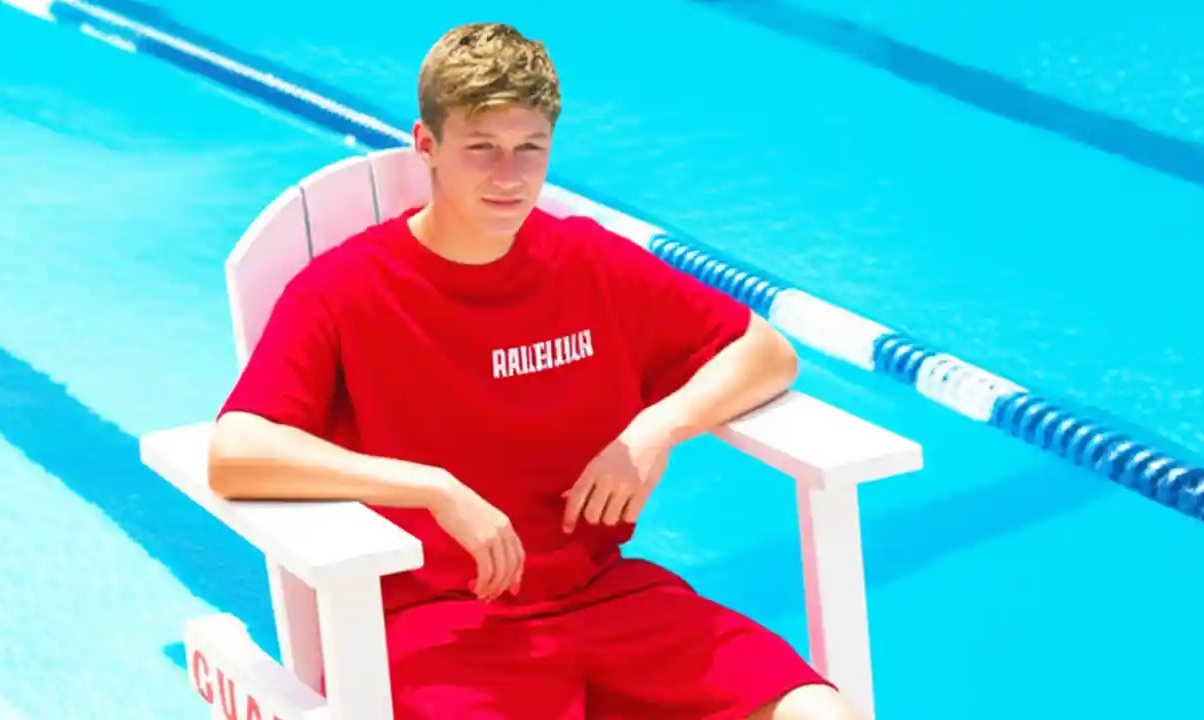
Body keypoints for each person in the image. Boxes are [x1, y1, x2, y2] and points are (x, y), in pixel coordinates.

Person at [207, 20, 864, 720]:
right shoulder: (346, 290)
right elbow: (235, 452)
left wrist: (654, 431)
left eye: (530, 149)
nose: (509, 176)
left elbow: (765, 352)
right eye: (482, 148)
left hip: (608, 600)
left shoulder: (588, 261)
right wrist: (431, 487)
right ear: (426, 145)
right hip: (439, 632)